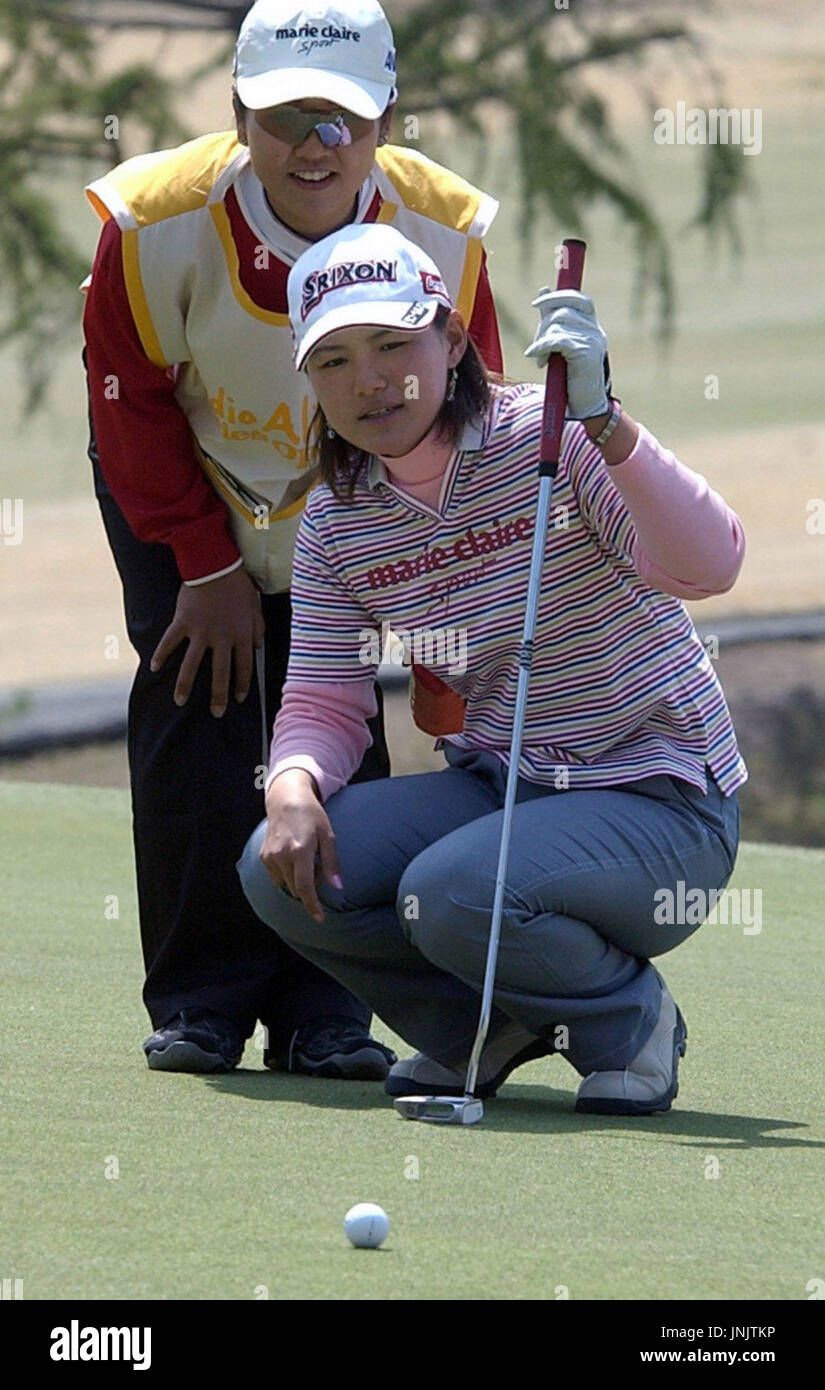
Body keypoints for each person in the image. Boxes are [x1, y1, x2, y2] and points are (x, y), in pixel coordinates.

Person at [237, 221, 747, 1115]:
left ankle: (630, 1024)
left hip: (662, 797)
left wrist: (606, 421)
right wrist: (291, 786)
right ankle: (483, 1028)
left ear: (450, 339)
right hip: (501, 782)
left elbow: (709, 566)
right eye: (334, 360)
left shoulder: (551, 437)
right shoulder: (336, 520)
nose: (369, 380)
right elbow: (323, 695)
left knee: (451, 892)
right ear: (309, 380)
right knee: (276, 867)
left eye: (393, 343)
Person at [81, 0, 503, 1076]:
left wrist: (450, 622)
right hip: (183, 486)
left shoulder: (444, 231)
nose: (313, 148)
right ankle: (202, 1002)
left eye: (342, 122)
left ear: (387, 120)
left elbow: (478, 417)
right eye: (283, 119)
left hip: (360, 502)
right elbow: (126, 403)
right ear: (236, 113)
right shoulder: (152, 219)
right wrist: (205, 563)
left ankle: (327, 1014)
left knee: (343, 721)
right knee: (199, 699)